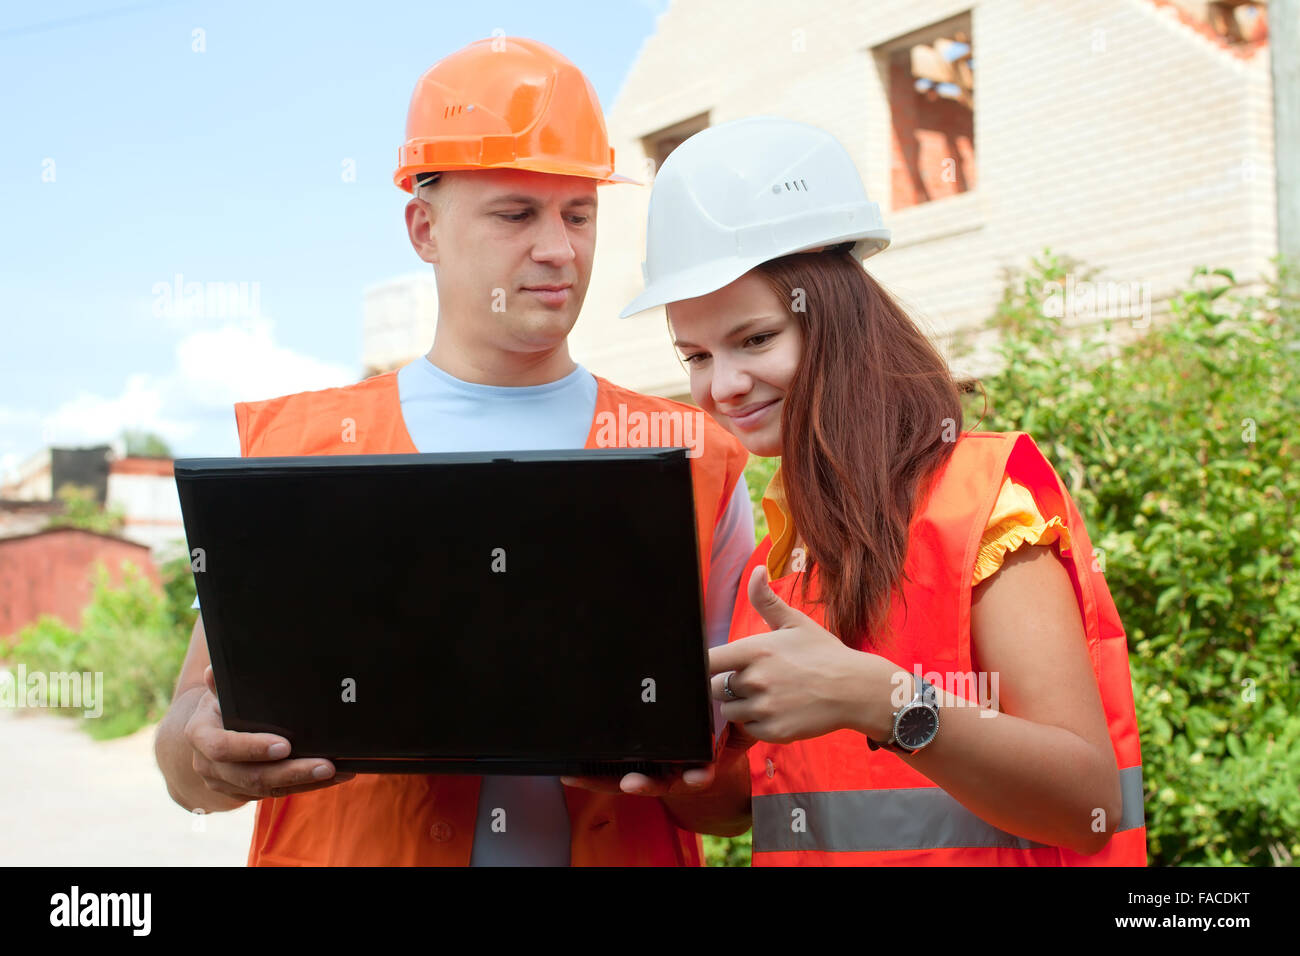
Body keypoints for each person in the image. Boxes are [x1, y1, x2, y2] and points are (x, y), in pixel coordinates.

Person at [153, 37, 756, 867]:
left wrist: (674, 770)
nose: (559, 250)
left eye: (578, 214)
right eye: (516, 213)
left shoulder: (696, 460)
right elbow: (189, 763)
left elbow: (735, 804)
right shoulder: (299, 452)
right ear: (423, 229)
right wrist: (199, 750)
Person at [616, 116, 1148, 865]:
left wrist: (883, 701)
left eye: (756, 339)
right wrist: (655, 765)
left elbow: (1088, 804)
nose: (723, 385)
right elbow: (746, 806)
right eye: (696, 355)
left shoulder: (979, 506)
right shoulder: (782, 550)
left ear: (835, 319)